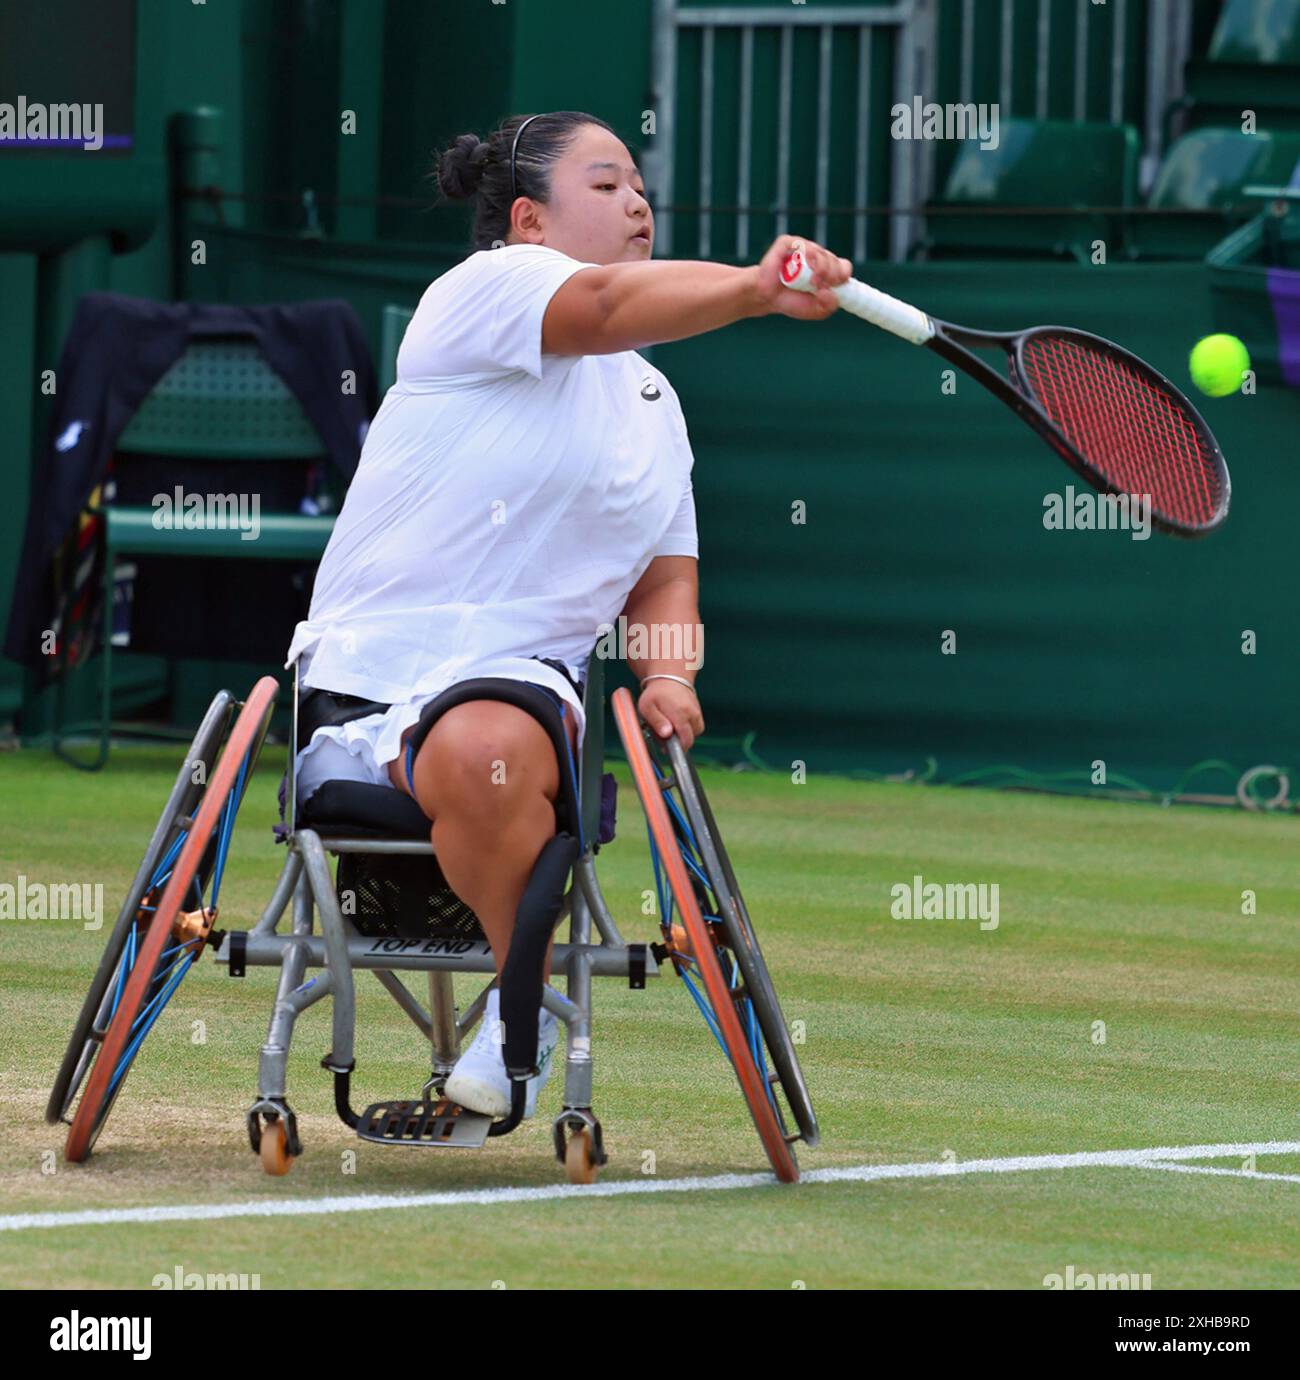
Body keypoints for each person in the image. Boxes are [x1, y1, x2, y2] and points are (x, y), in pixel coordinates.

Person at [284, 109, 850, 1120]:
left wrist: (669, 674)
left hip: (519, 696)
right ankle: (524, 1006)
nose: (637, 201)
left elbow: (664, 574)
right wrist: (758, 289)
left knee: (480, 746)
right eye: (605, 183)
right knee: (467, 742)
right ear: (528, 222)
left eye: (640, 186)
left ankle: (519, 1024)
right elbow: (602, 303)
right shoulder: (483, 290)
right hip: (363, 680)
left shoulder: (651, 403)